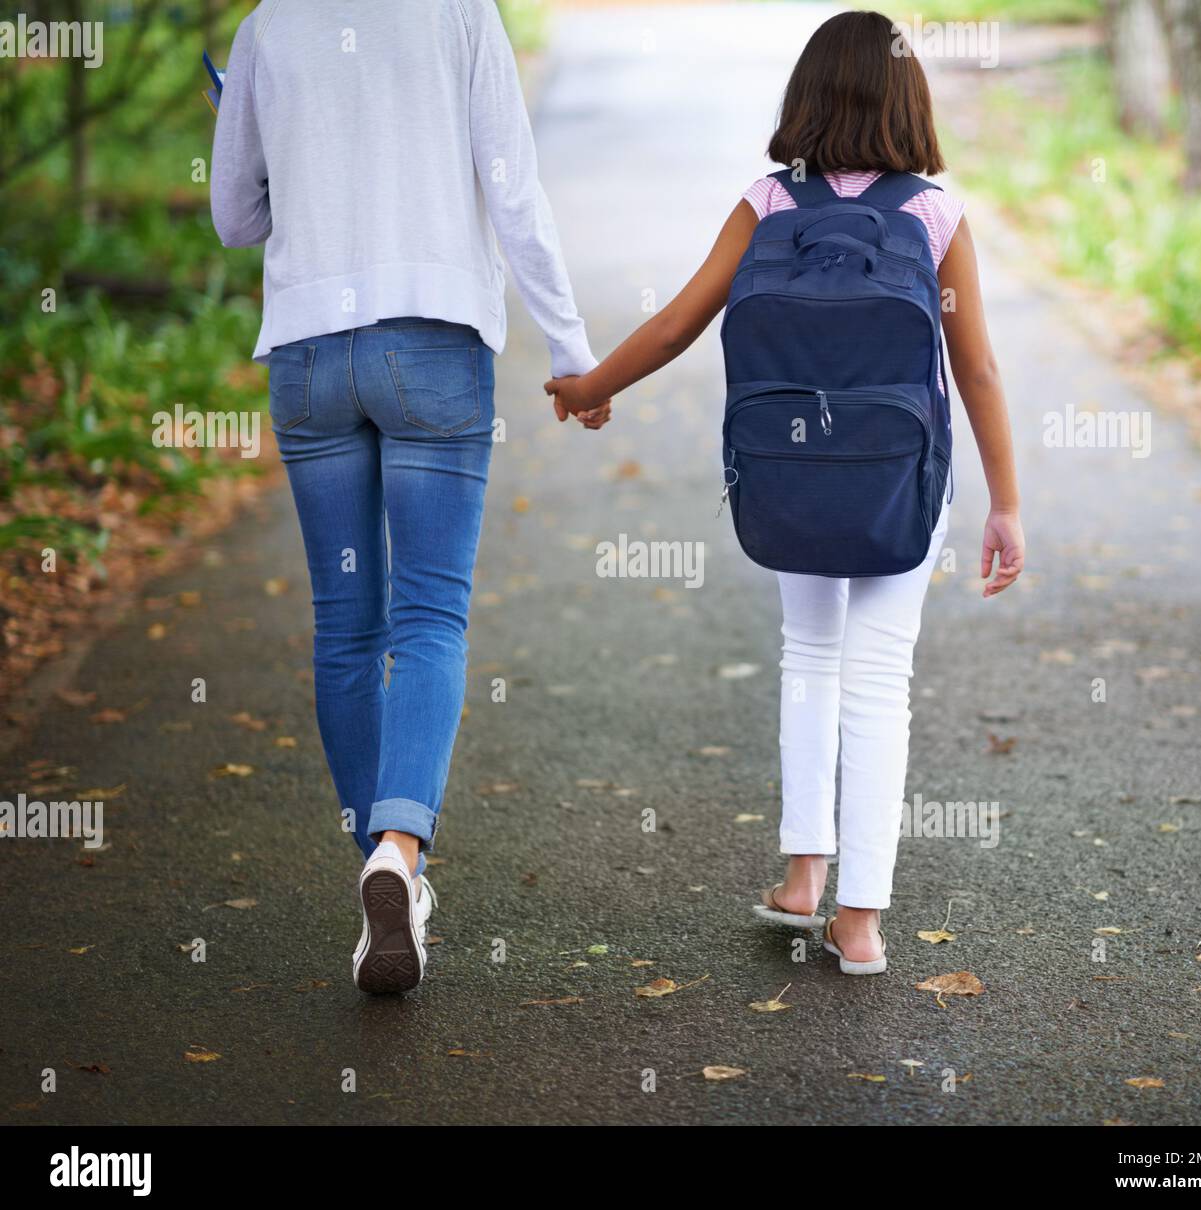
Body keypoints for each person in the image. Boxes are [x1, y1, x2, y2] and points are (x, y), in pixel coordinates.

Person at [547, 10, 1024, 975]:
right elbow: (975, 371)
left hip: (791, 472)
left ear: (803, 98)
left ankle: (804, 874)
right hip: (900, 479)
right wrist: (1006, 504)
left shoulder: (769, 202)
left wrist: (592, 388)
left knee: (809, 654)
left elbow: (682, 323)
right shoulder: (934, 215)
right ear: (909, 101)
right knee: (879, 681)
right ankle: (861, 925)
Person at [210, 0, 609, 994]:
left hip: (310, 359)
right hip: (429, 346)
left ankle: (382, 873)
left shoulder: (267, 28)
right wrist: (571, 349)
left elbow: (234, 219)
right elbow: (513, 193)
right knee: (428, 618)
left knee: (346, 628)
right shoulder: (459, 14)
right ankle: (398, 854)